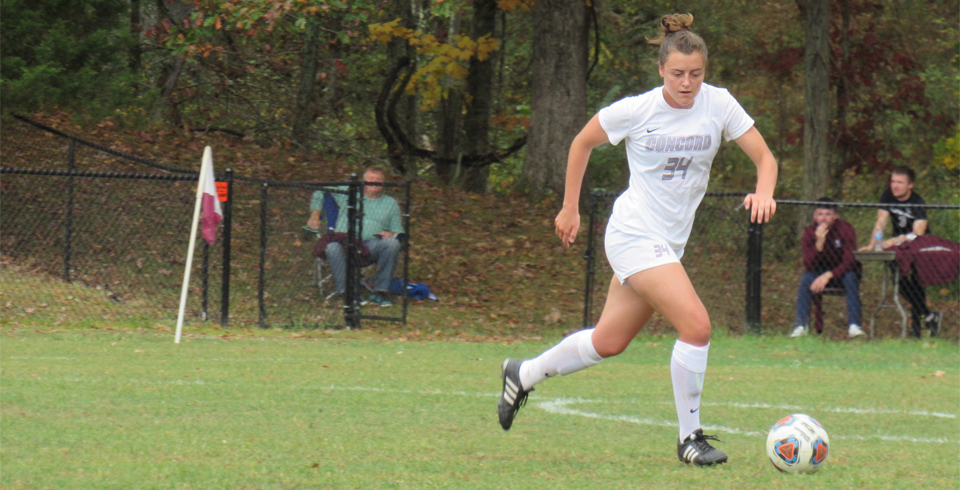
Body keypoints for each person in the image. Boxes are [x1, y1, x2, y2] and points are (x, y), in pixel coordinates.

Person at [496, 14, 778, 467]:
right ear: (661, 70)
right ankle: (690, 439)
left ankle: (523, 373)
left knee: (608, 342)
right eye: (677, 74)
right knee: (697, 326)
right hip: (632, 233)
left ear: (706, 71)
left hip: (667, 243)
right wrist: (571, 207)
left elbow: (764, 157)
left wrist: (764, 191)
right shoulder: (637, 109)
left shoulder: (719, 105)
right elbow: (581, 143)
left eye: (696, 74)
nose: (687, 83)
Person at [859, 166, 940, 337]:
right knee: (901, 284)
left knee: (918, 285)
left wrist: (893, 241)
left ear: (910, 185)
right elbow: (881, 221)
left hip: (919, 245)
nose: (895, 186)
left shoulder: (917, 202)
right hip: (898, 246)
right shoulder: (888, 195)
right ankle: (930, 316)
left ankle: (917, 327)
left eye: (900, 183)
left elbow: (918, 233)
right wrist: (872, 244)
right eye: (893, 181)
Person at [307, 167, 404, 307]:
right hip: (344, 243)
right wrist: (314, 215)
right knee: (332, 247)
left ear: (383, 184)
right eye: (370, 179)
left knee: (392, 244)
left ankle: (380, 292)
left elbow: (398, 232)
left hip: (371, 246)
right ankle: (348, 293)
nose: (374, 183)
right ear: (363, 182)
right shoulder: (348, 192)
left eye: (378, 180)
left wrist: (392, 234)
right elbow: (320, 191)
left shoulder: (390, 203)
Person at [789, 198, 864, 338]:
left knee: (851, 278)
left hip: (841, 273)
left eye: (828, 214)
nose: (824, 218)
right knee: (806, 279)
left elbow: (850, 261)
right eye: (820, 214)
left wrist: (829, 275)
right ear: (815, 216)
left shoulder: (846, 229)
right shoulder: (809, 232)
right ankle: (801, 326)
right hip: (818, 272)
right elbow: (808, 264)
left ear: (835, 216)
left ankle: (854, 326)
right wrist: (819, 244)